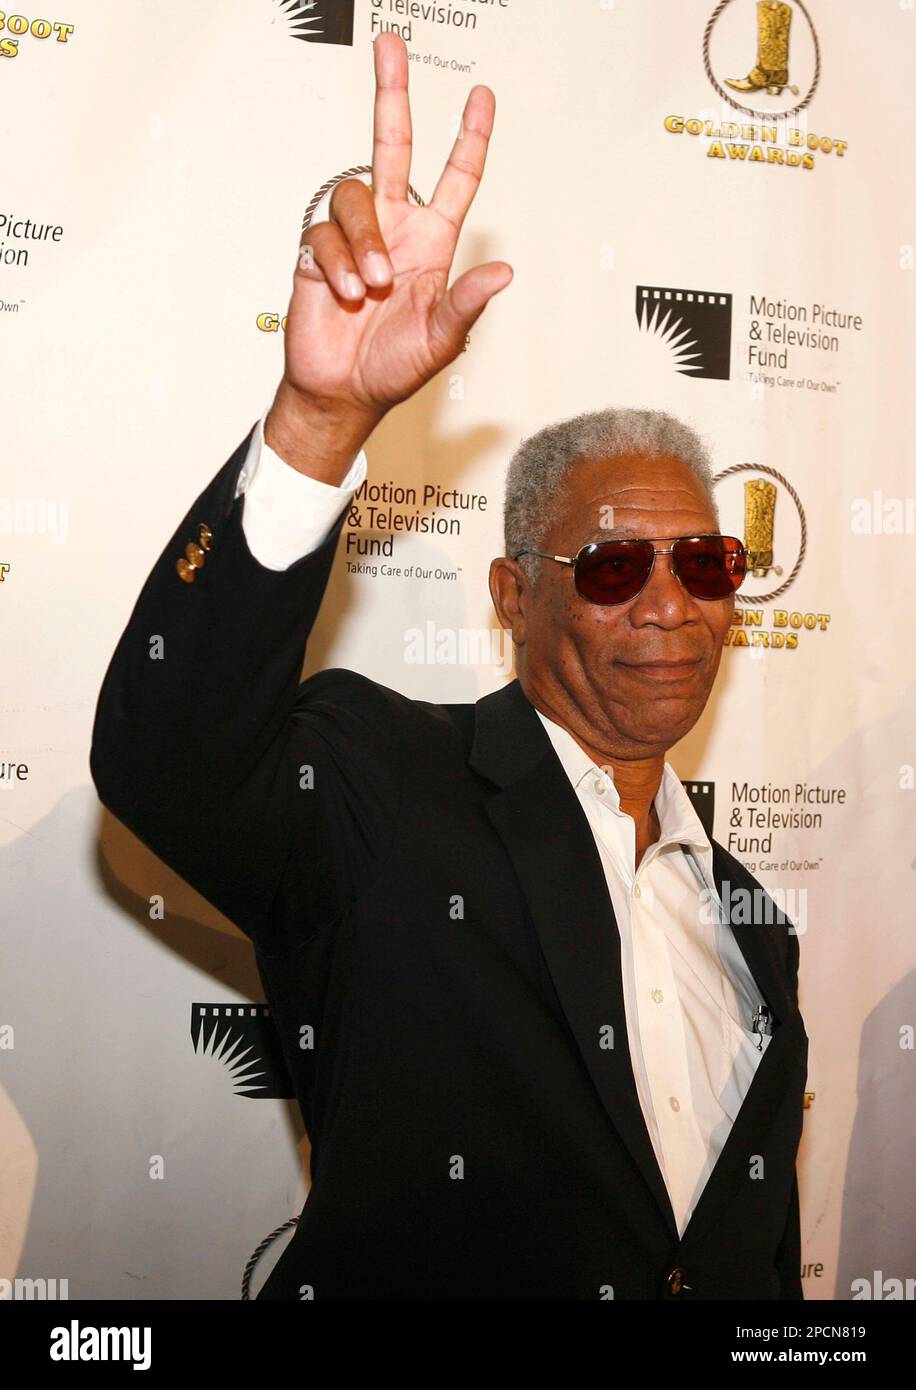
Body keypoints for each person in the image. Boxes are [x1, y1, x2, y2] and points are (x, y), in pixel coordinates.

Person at [90, 32, 807, 1300]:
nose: (665, 605)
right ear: (511, 597)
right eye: (606, 566)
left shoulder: (755, 920)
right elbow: (169, 761)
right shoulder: (387, 789)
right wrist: (318, 422)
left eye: (701, 564)